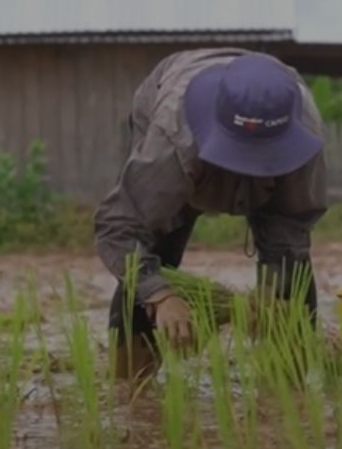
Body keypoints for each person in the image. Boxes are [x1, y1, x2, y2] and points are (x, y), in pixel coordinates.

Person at [94, 48, 327, 380]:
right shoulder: (173, 138)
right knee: (159, 248)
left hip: (275, 154)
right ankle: (131, 388)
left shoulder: (305, 134)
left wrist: (273, 286)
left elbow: (291, 227)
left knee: (291, 271)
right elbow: (119, 227)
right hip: (180, 118)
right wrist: (160, 295)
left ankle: (290, 390)